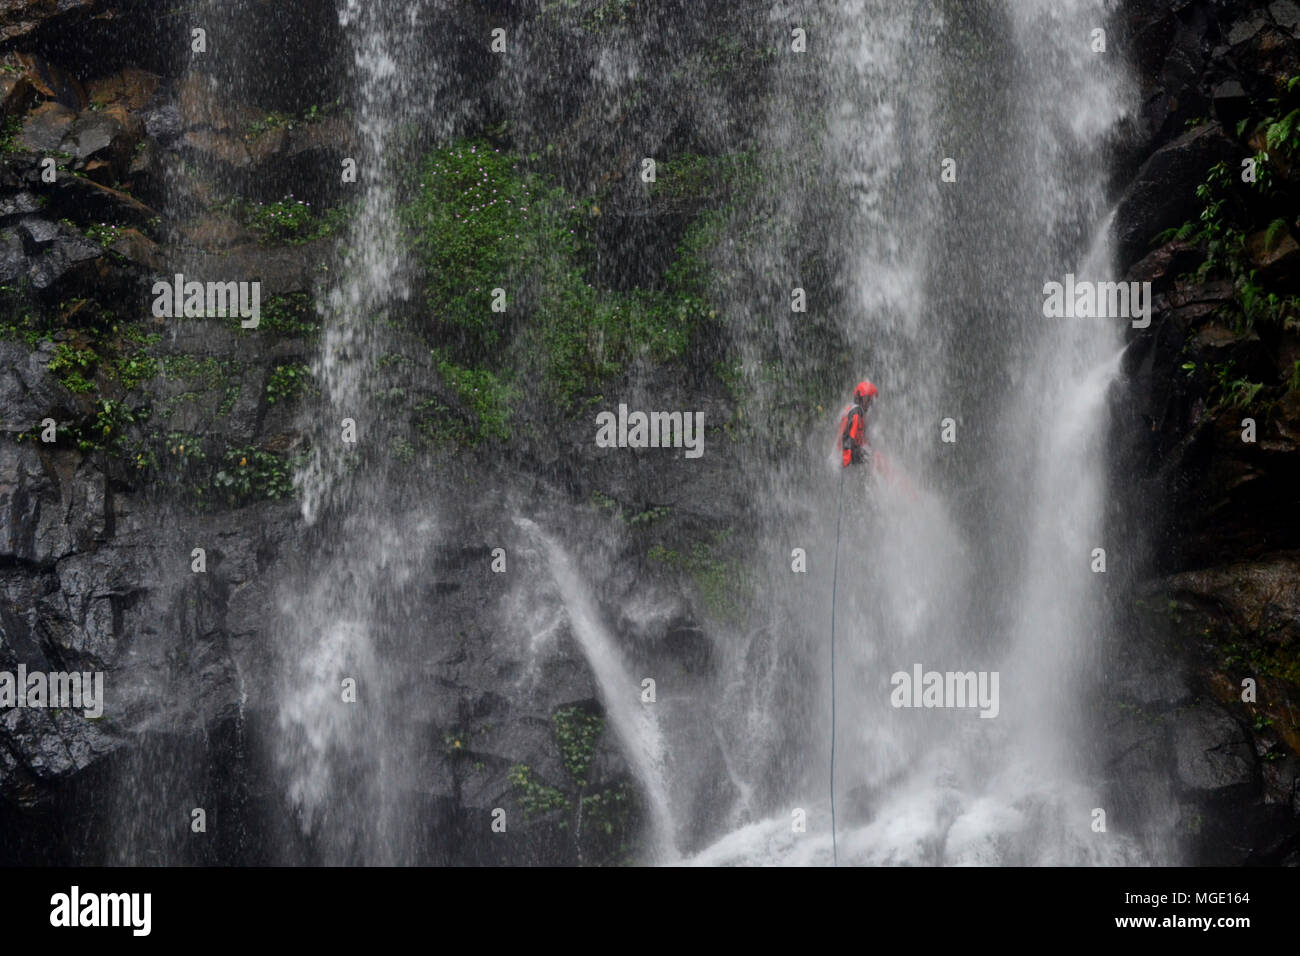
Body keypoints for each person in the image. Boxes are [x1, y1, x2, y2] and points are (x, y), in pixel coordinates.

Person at [838, 380, 877, 468]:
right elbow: (848, 437)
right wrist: (846, 460)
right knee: (875, 459)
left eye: (870, 400)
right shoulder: (856, 413)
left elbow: (860, 438)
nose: (870, 403)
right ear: (859, 397)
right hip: (846, 454)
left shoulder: (853, 410)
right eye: (867, 400)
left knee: (874, 455)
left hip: (847, 452)